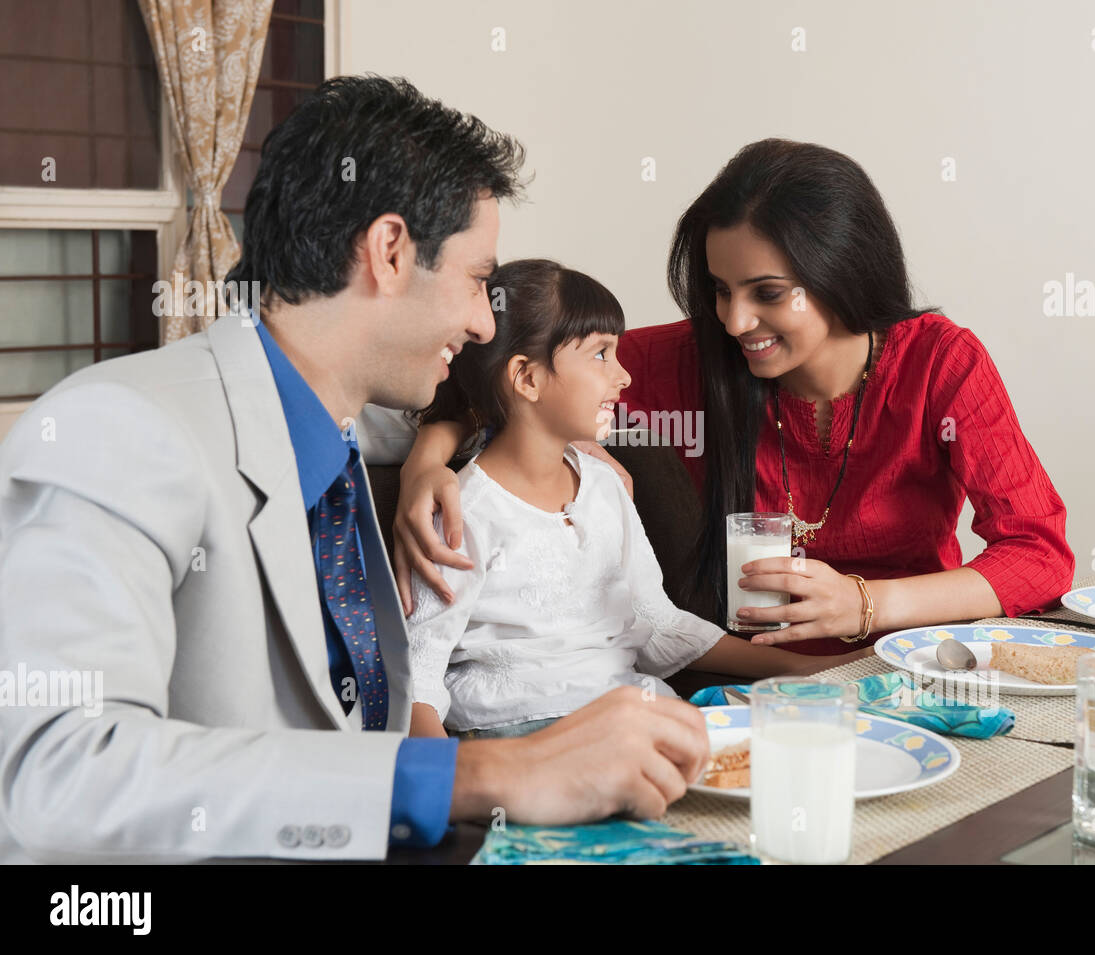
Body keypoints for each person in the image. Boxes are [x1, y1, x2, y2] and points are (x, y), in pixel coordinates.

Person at [0, 76, 711, 864]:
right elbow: (55, 775)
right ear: (390, 251)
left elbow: (485, 406)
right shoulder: (120, 425)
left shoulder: (347, 417)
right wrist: (483, 772)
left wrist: (436, 455)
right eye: (478, 280)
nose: (483, 324)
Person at [391, 139, 1075, 656]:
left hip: (913, 668)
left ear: (844, 273)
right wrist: (426, 463)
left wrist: (866, 604)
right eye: (721, 289)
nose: (735, 321)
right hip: (753, 689)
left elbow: (1039, 554)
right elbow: (505, 373)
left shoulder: (939, 364)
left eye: (767, 294)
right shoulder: (697, 361)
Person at [400, 259, 870, 740]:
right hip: (518, 732)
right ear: (528, 378)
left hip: (627, 714)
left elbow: (656, 624)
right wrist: (455, 783)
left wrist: (810, 668)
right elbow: (420, 670)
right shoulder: (465, 512)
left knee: (793, 738)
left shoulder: (603, 485)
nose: (623, 376)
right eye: (602, 354)